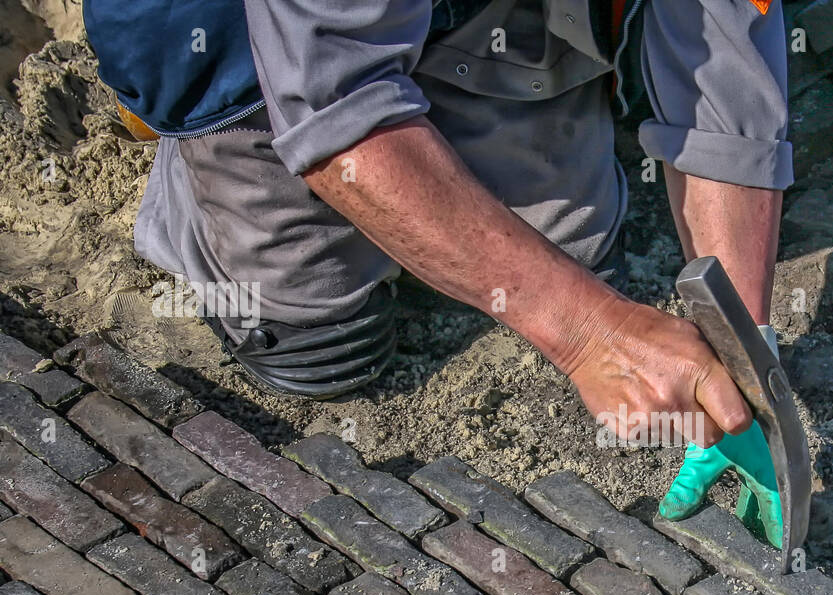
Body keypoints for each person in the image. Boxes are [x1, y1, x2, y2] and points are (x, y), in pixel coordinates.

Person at [83, 0, 792, 545]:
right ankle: (210, 169)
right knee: (322, 344)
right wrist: (587, 332)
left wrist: (741, 336)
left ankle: (429, 89)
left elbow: (721, 40)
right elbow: (335, 108)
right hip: (245, 41)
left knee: (569, 252)